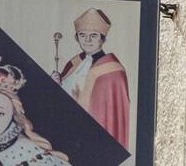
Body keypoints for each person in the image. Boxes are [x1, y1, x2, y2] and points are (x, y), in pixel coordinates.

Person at [53, 8, 130, 148]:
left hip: (91, 140)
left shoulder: (113, 71)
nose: (87, 40)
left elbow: (110, 117)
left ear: (102, 39)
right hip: (67, 133)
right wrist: (56, 85)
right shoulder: (74, 64)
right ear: (77, 37)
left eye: (93, 35)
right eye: (82, 35)